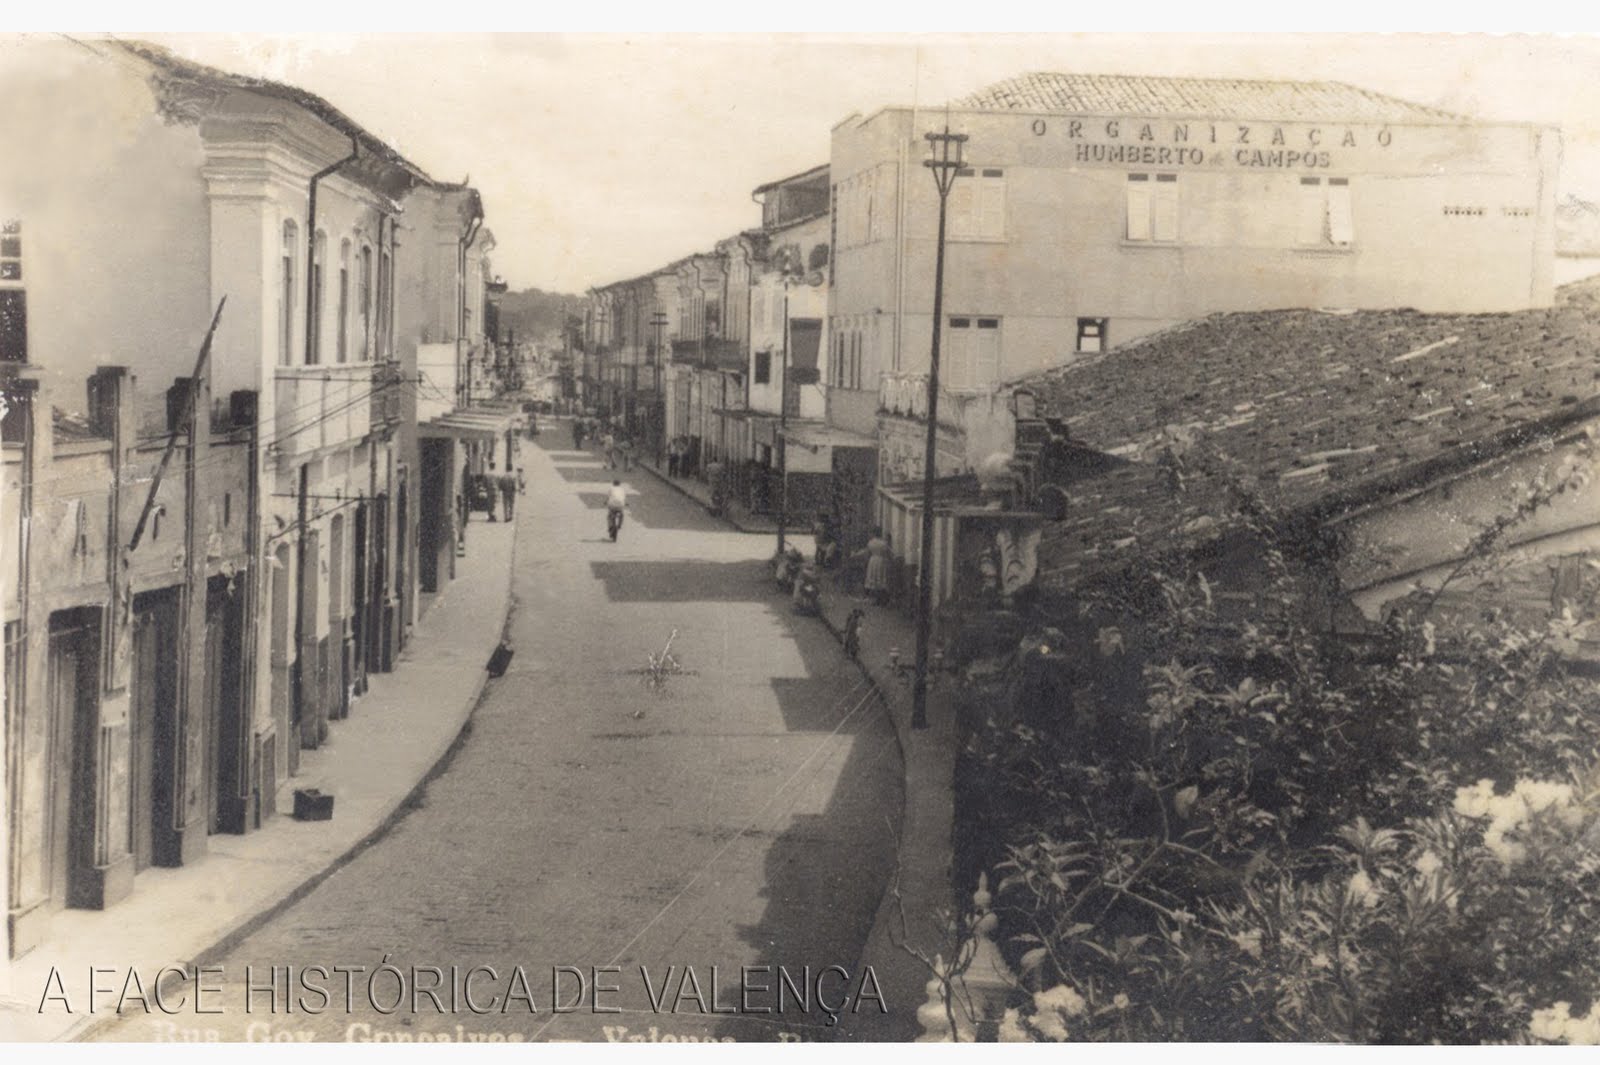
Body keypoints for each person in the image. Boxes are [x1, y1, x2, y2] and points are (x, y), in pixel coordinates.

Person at [858, 526, 890, 606]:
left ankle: (872, 597)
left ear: (874, 533)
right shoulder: (883, 543)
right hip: (881, 560)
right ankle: (879, 599)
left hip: (872, 560)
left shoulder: (871, 542)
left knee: (872, 577)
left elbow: (867, 552)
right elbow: (887, 553)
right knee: (880, 577)